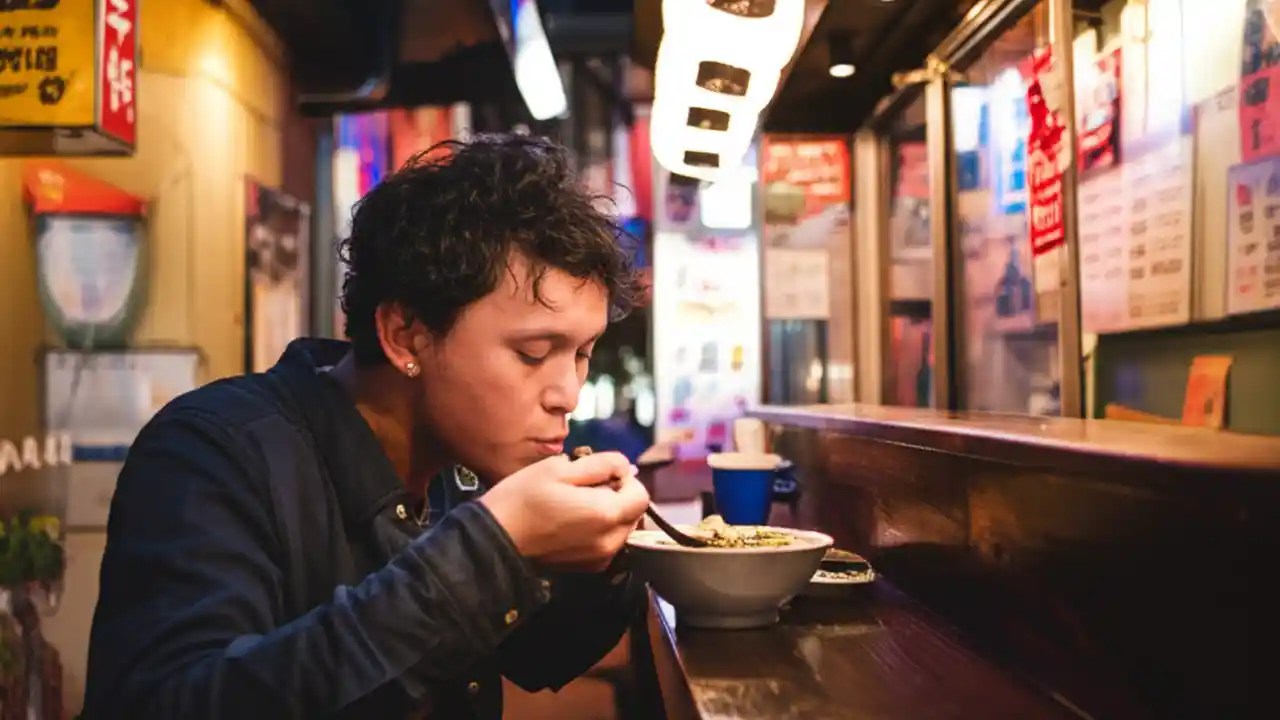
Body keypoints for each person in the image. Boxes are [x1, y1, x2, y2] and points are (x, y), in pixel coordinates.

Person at [83, 134, 652, 719]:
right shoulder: (213, 452)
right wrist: (491, 547)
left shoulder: (465, 461)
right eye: (534, 353)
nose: (568, 393)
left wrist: (609, 558)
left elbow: (535, 657)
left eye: (583, 353)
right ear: (406, 335)